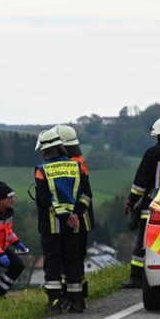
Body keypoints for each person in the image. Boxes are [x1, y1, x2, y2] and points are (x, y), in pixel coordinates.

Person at [34, 127, 91, 313]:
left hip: (51, 226)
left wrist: (63, 216)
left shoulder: (42, 170)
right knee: (72, 261)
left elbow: (43, 201)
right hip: (74, 225)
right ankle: (77, 301)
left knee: (53, 262)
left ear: (45, 150)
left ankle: (55, 302)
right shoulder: (76, 167)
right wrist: (75, 214)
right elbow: (87, 196)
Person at [123, 116, 160, 288]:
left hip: (150, 206)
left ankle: (136, 278)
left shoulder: (152, 153)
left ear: (159, 134)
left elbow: (140, 183)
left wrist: (131, 202)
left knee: (143, 241)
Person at [56, 124, 94, 302]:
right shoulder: (78, 160)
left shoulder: (71, 164)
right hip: (82, 218)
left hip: (75, 219)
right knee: (77, 259)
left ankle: (69, 295)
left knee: (70, 259)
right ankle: (79, 293)